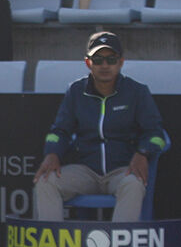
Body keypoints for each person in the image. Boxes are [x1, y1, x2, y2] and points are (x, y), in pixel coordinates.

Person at [32, 31, 167, 222]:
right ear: (88, 63)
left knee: (133, 185)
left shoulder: (137, 92)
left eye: (111, 59)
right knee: (46, 182)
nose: (104, 65)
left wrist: (143, 152)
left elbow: (156, 134)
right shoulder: (76, 91)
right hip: (85, 170)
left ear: (120, 62)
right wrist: (52, 153)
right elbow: (59, 131)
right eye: (98, 59)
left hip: (123, 169)